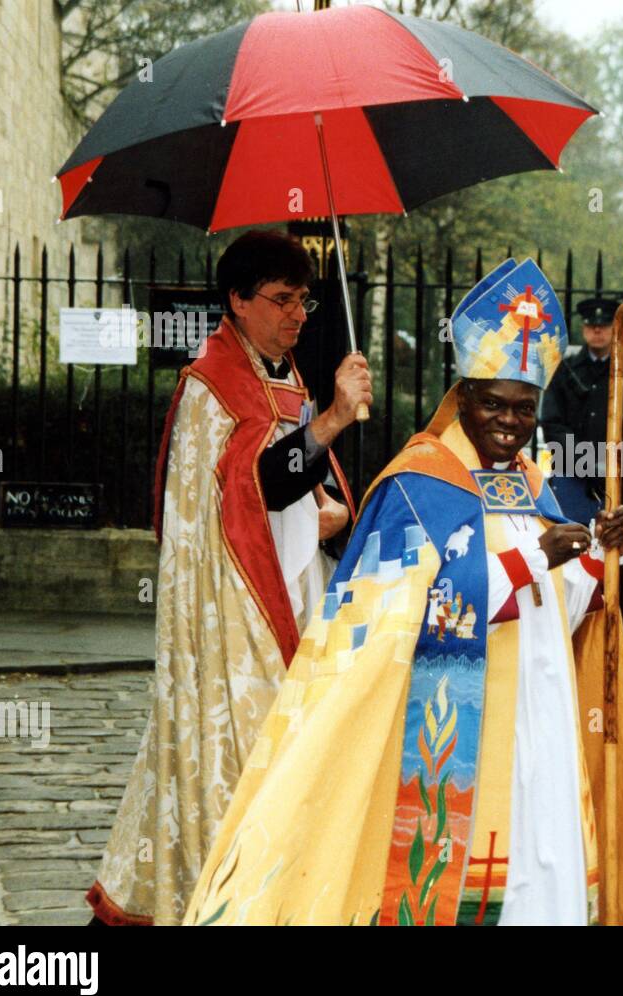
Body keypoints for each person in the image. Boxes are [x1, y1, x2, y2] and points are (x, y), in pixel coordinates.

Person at [184, 258, 623, 926]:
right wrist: (532, 556)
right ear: (462, 396)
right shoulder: (418, 483)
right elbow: (407, 619)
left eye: (524, 409)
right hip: (455, 744)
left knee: (539, 871)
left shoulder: (535, 482)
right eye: (493, 404)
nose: (509, 422)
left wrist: (598, 555)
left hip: (540, 722)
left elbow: (562, 614)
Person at [86, 231, 369, 925]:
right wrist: (332, 418)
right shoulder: (213, 383)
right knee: (242, 759)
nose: (298, 313)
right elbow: (259, 487)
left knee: (196, 760)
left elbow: (297, 479)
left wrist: (331, 508)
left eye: (304, 299)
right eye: (282, 299)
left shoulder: (281, 369)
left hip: (289, 589)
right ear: (237, 301)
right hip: (233, 614)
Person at [541, 296, 623, 644]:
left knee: (619, 553)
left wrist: (611, 467)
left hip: (618, 481)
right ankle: (572, 628)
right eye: (591, 326)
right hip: (575, 480)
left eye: (604, 326)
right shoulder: (567, 369)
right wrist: (586, 464)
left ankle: (618, 634)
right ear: (584, 329)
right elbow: (552, 423)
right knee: (576, 552)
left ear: (613, 329)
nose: (597, 331)